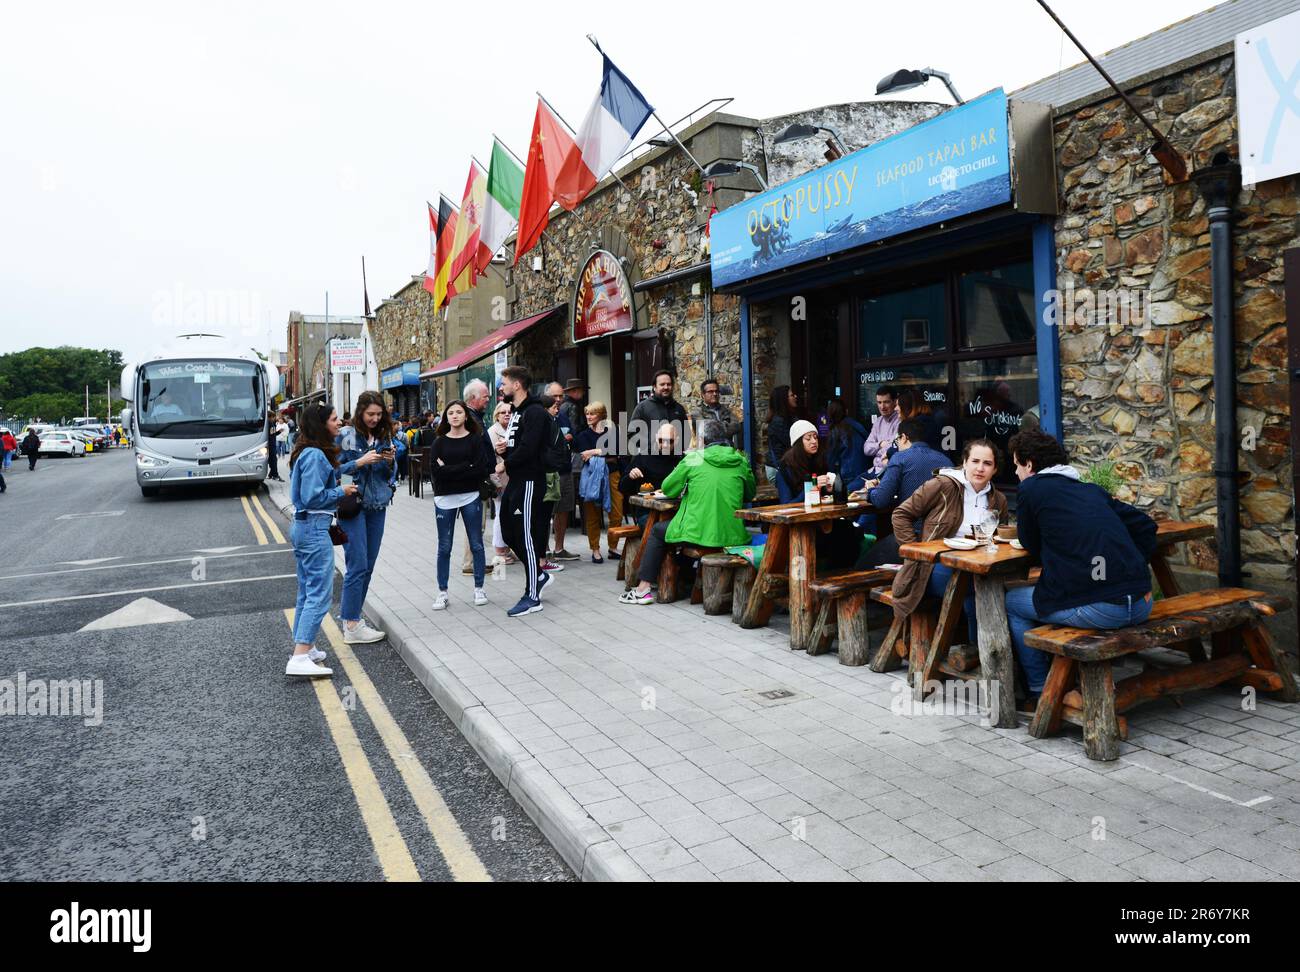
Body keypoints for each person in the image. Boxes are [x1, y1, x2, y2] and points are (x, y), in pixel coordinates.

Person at [1005, 430, 1157, 710]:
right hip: (1141, 604)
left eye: (1016, 465)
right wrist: (1132, 569)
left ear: (1028, 464)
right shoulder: (1090, 490)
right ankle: (1062, 678)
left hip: (1104, 610)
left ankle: (1041, 690)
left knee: (1011, 602)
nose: (1015, 472)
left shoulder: (1031, 488)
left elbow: (1029, 542)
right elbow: (1147, 527)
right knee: (1061, 594)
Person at [620, 421, 756, 606]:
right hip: (733, 533)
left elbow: (668, 488)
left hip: (698, 531)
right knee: (671, 532)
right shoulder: (740, 460)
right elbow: (750, 494)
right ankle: (684, 578)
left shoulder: (693, 459)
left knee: (658, 531)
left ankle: (643, 589)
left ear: (702, 440)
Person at [887, 439, 1008, 644]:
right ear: (965, 462)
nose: (980, 468)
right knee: (982, 588)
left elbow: (998, 538)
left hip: (976, 566)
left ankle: (979, 654)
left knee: (980, 592)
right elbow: (900, 515)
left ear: (995, 469)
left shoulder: (998, 500)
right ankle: (979, 653)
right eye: (975, 461)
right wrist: (916, 551)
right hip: (934, 567)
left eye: (987, 463)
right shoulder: (943, 485)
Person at [286, 402, 358, 678]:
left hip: (305, 526)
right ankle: (300, 655)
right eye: (334, 419)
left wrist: (354, 466)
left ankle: (307, 646)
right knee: (320, 592)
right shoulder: (315, 455)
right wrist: (340, 492)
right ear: (321, 424)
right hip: (315, 527)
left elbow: (324, 480)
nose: (339, 423)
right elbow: (313, 496)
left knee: (307, 589)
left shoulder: (306, 452)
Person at [337, 391, 398, 642]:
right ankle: (351, 624)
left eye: (379, 414)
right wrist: (359, 462)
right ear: (360, 412)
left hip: (378, 505)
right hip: (353, 506)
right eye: (370, 414)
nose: (375, 418)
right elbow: (336, 471)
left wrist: (390, 463)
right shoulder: (346, 436)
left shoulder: (384, 436)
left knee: (368, 566)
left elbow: (388, 472)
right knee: (357, 565)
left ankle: (354, 619)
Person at [494, 366, 552, 618]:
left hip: (529, 481)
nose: (502, 387)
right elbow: (521, 447)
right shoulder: (517, 412)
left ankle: (532, 596)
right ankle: (538, 575)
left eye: (504, 382)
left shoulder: (535, 412)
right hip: (516, 480)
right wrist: (506, 450)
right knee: (508, 530)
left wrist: (505, 461)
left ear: (517, 385)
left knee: (526, 535)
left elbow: (530, 449)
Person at [855, 418, 951, 567]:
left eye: (897, 440)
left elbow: (881, 499)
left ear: (904, 437)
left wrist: (869, 491)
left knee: (861, 566)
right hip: (942, 536)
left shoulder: (900, 458)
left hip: (911, 536)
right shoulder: (945, 460)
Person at [430, 400, 493, 610]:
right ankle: (442, 591)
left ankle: (479, 588)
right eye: (450, 413)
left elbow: (481, 469)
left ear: (466, 416)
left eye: (459, 412)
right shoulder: (438, 442)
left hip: (470, 495)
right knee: (444, 547)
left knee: (476, 543)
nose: (455, 416)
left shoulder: (475, 441)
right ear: (446, 417)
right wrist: (466, 466)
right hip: (444, 498)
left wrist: (450, 469)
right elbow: (436, 474)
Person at [775, 419, 862, 569]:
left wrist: (829, 489)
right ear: (797, 443)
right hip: (799, 526)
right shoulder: (785, 469)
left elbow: (824, 498)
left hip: (820, 521)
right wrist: (812, 488)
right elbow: (786, 506)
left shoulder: (819, 461)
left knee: (849, 532)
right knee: (839, 537)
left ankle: (841, 579)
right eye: (808, 438)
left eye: (815, 437)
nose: (813, 441)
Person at [618, 423, 684, 528]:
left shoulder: (681, 458)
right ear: (657, 438)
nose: (665, 445)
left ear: (677, 440)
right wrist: (630, 476)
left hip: (676, 511)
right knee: (661, 529)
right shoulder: (644, 456)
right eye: (662, 440)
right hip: (647, 512)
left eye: (670, 441)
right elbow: (622, 487)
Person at [461, 379, 495, 575]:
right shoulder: (470, 419)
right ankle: (470, 564)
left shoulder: (474, 417)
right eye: (485, 396)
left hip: (477, 477)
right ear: (473, 399)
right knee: (475, 523)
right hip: (475, 480)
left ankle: (472, 561)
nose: (488, 400)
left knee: (476, 523)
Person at [544, 381, 579, 561]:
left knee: (564, 509)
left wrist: (570, 438)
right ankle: (545, 550)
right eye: (554, 396)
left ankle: (559, 548)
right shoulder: (541, 416)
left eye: (560, 396)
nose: (558, 400)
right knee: (546, 510)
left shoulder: (563, 414)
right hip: (549, 471)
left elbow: (572, 436)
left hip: (566, 469)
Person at [575, 401, 613, 563]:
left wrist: (594, 451)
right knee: (592, 514)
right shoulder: (583, 435)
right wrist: (601, 452)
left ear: (602, 415)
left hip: (613, 474)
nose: (589, 417)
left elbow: (617, 450)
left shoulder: (611, 433)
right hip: (591, 476)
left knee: (615, 513)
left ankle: (613, 547)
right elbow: (584, 454)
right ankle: (595, 549)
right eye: (587, 414)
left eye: (593, 413)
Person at [630, 370, 688, 464]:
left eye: (669, 384)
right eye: (662, 384)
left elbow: (685, 434)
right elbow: (632, 433)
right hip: (650, 461)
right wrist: (650, 446)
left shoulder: (679, 408)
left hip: (674, 462)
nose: (666, 387)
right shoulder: (643, 407)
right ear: (654, 387)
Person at [487, 400, 517, 565]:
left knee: (510, 515)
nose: (507, 414)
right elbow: (490, 460)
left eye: (509, 412)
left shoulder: (513, 430)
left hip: (513, 480)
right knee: (500, 514)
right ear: (496, 416)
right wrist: (495, 482)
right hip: (500, 481)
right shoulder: (493, 432)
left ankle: (508, 548)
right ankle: (499, 550)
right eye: (503, 412)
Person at [824, 399, 869, 487]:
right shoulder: (858, 426)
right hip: (865, 473)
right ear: (846, 411)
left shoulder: (835, 432)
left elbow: (831, 460)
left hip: (848, 476)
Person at [689, 378, 742, 451]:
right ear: (703, 395)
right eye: (710, 391)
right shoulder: (697, 412)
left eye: (716, 391)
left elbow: (736, 426)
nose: (715, 394)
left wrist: (714, 425)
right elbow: (706, 432)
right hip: (707, 452)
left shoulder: (725, 410)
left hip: (727, 451)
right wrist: (726, 424)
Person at [764, 385, 798, 486]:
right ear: (784, 400)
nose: (795, 397)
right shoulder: (778, 421)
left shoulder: (788, 418)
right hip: (778, 469)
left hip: (784, 467)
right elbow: (793, 442)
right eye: (792, 395)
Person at [862, 386, 899, 477]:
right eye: (879, 402)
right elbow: (866, 449)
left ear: (895, 402)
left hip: (887, 472)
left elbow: (893, 450)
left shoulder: (900, 420)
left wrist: (875, 449)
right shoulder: (878, 422)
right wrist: (880, 444)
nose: (882, 407)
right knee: (850, 488)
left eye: (886, 402)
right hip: (874, 470)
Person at [267, 411, 286, 482]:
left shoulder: (269, 423)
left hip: (270, 444)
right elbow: (272, 434)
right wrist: (278, 432)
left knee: (272, 460)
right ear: (271, 417)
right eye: (274, 417)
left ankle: (271, 474)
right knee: (273, 460)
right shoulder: (270, 423)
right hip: (271, 444)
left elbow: (272, 433)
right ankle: (275, 475)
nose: (275, 418)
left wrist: (278, 432)